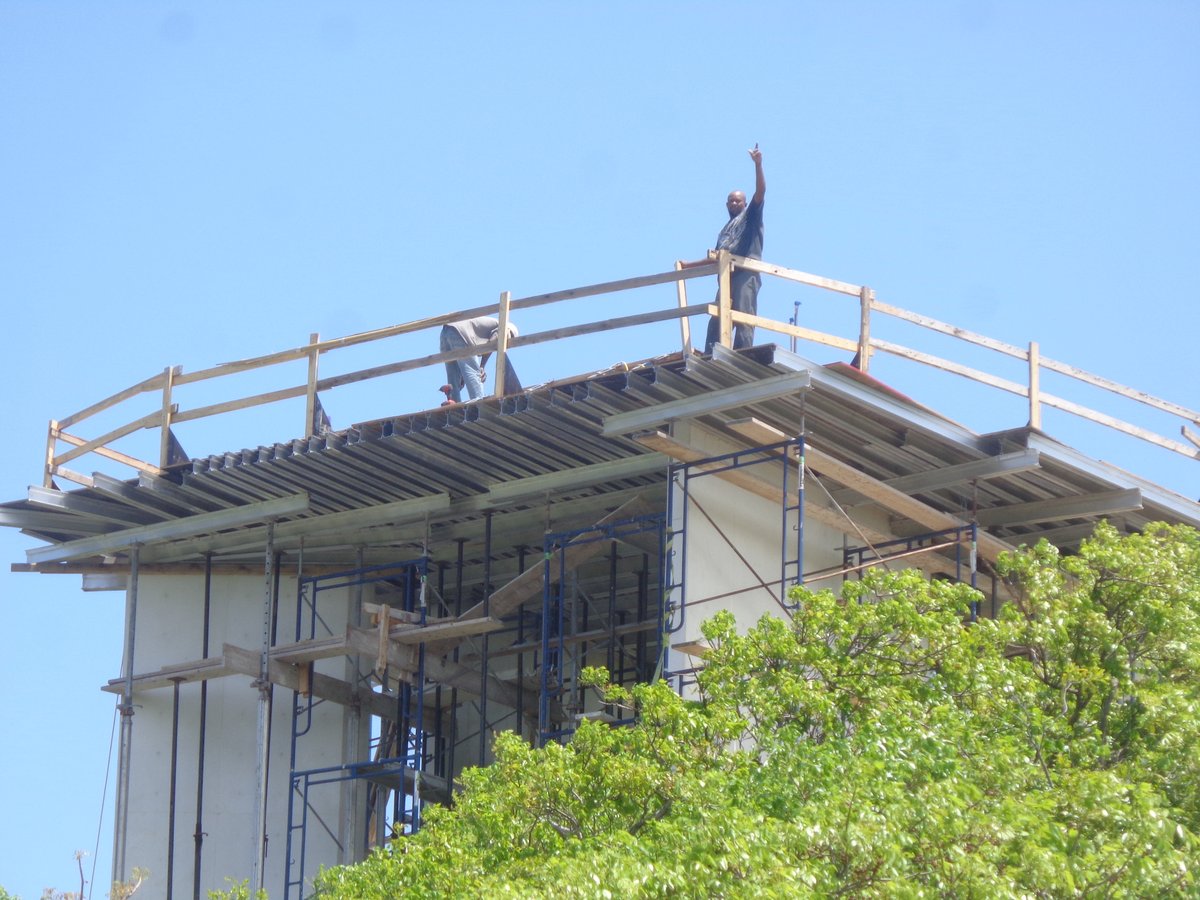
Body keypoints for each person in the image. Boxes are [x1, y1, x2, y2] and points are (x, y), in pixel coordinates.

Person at [681, 144, 766, 353]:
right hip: (727, 277)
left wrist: (758, 164)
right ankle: (713, 354)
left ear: (745, 204)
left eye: (738, 201)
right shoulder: (725, 230)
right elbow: (717, 257)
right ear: (726, 204)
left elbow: (761, 191)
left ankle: (744, 355)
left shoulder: (751, 217)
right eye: (731, 201)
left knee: (744, 317)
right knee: (718, 319)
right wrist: (688, 266)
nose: (735, 204)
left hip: (745, 274)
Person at [439, 316, 519, 403]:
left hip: (445, 333)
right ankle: (479, 404)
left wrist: (464, 373)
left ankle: (452, 402)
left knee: (453, 377)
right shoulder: (508, 329)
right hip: (460, 333)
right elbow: (493, 341)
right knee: (476, 374)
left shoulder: (493, 324)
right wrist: (482, 366)